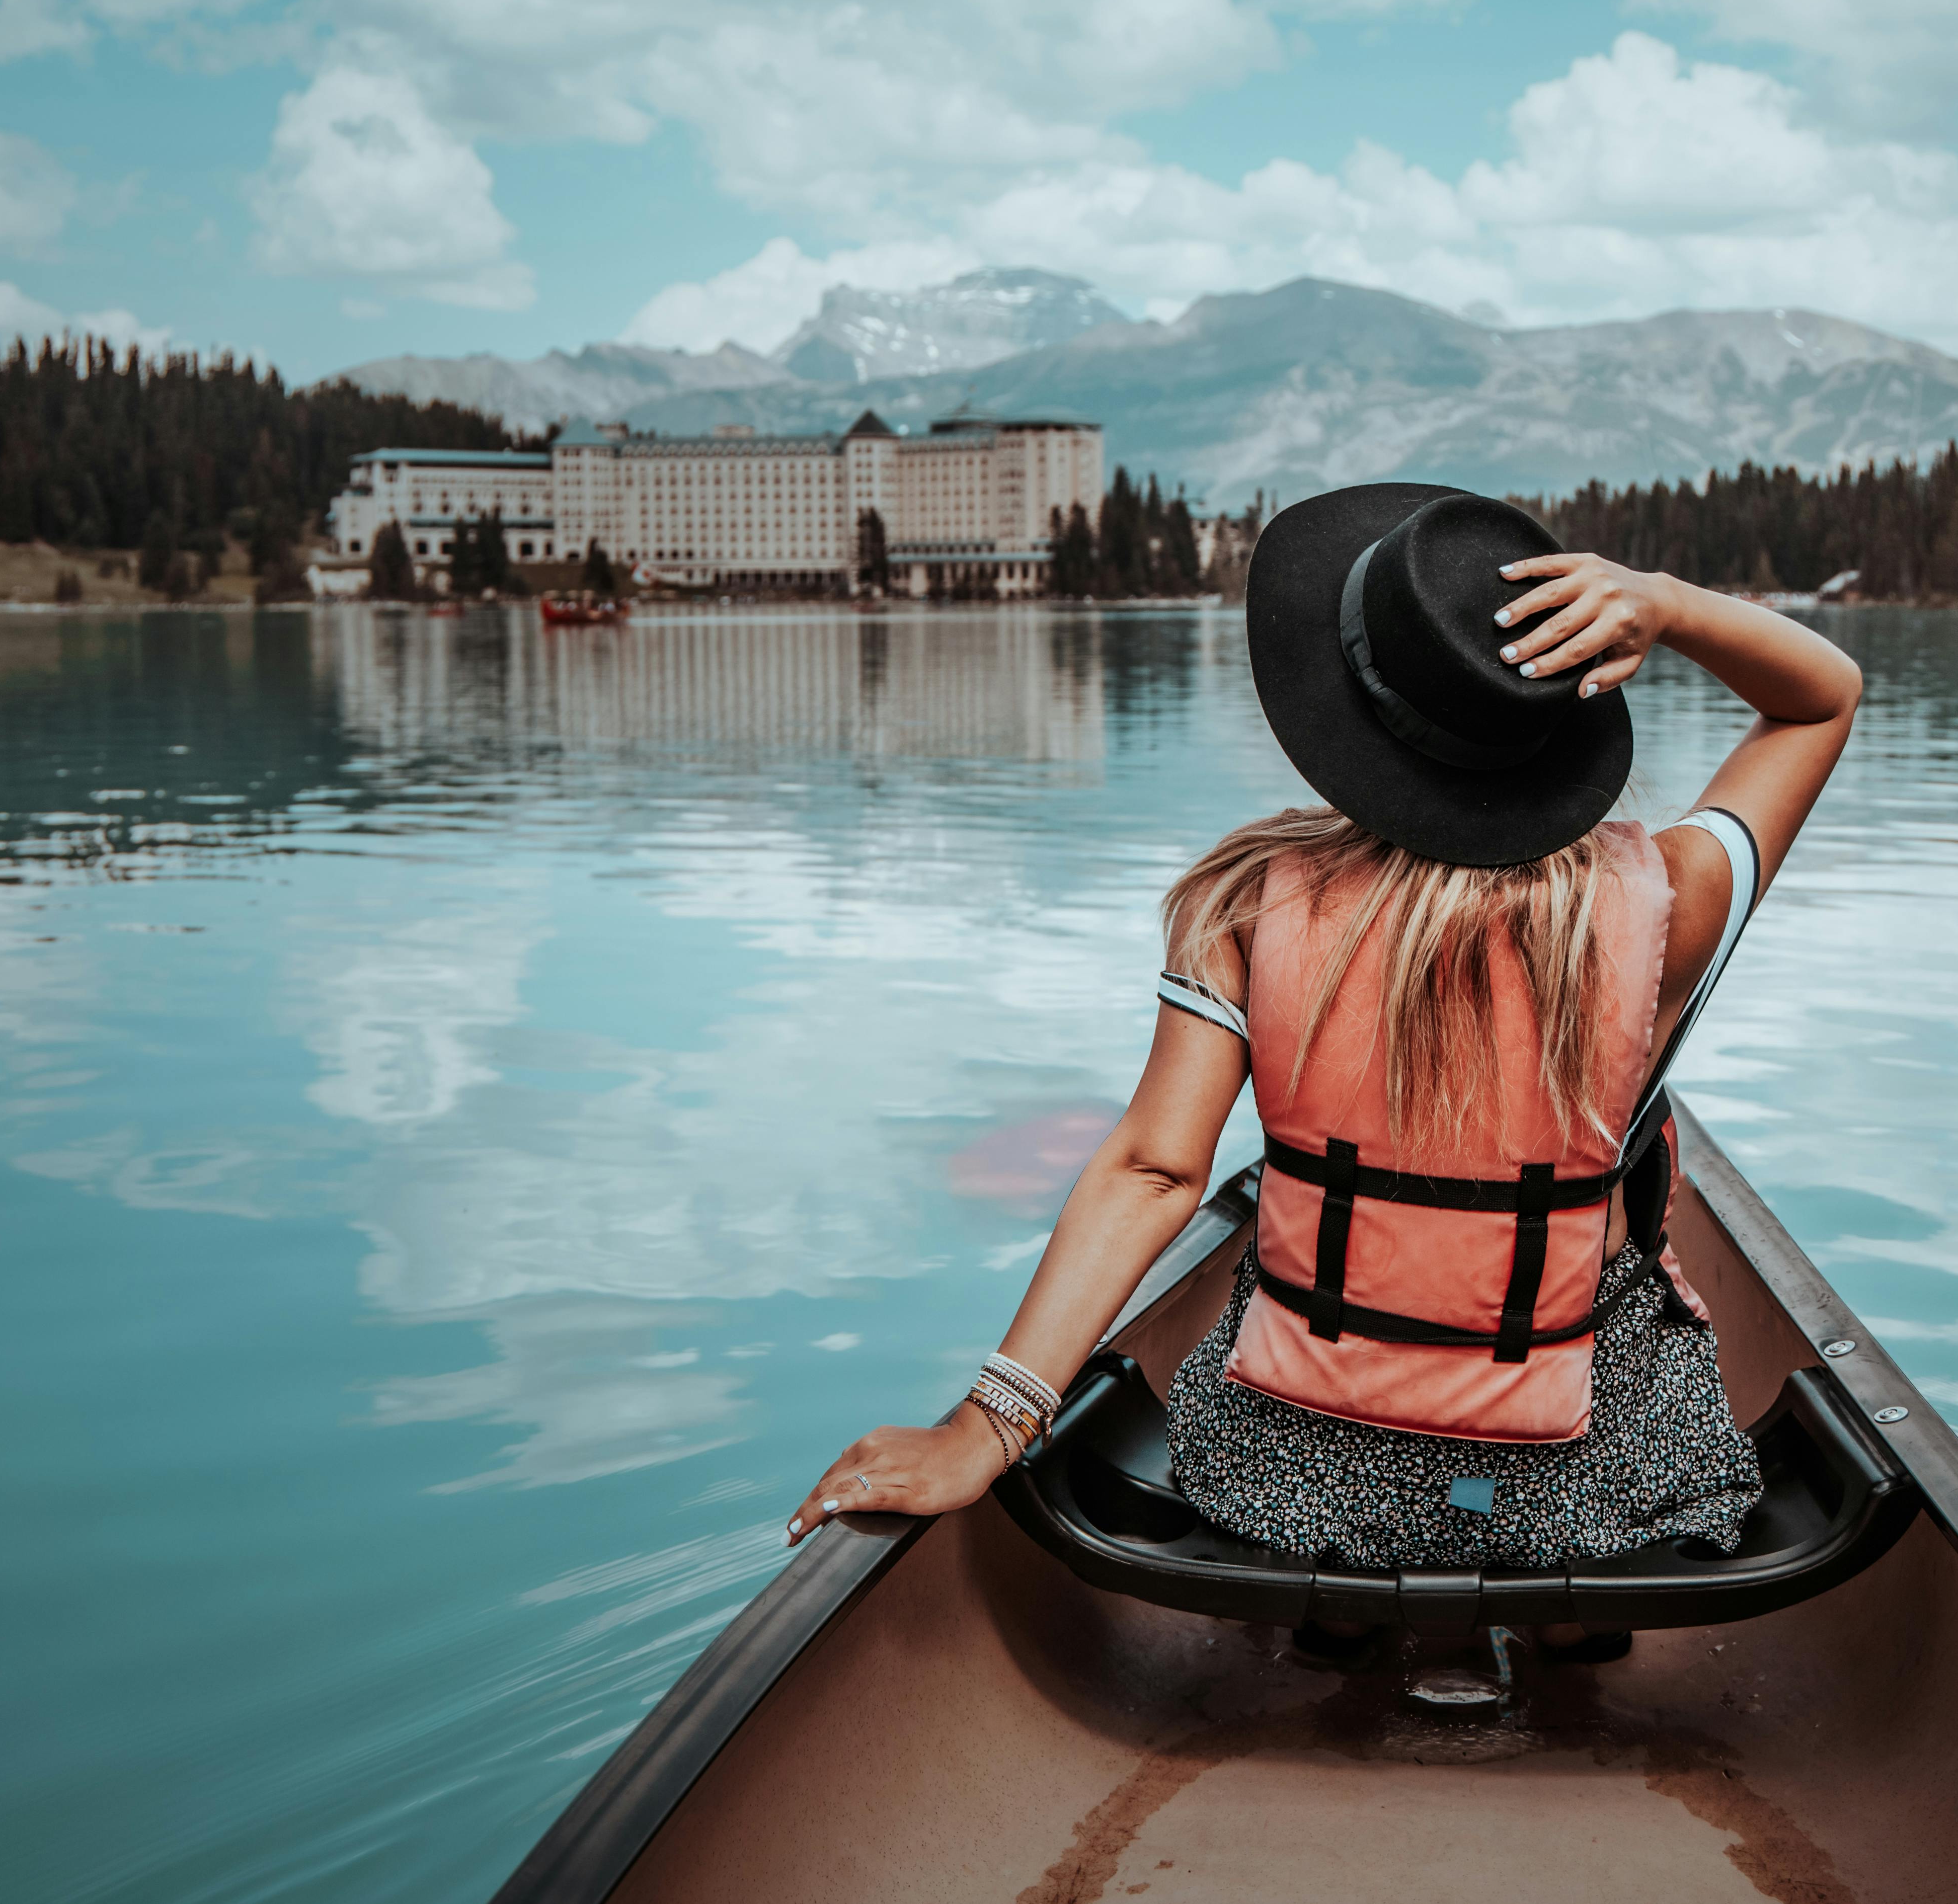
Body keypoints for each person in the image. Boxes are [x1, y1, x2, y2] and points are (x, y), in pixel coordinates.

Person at [788, 485, 1860, 1654]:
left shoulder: (1244, 899)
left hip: (1294, 1477)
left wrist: (988, 1425)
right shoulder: (1669, 896)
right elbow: (1822, 698)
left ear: (1344, 715)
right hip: (1581, 1491)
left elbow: (1153, 1170)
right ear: (1553, 723)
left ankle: (1341, 1615)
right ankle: (1562, 1625)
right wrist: (1666, 604)